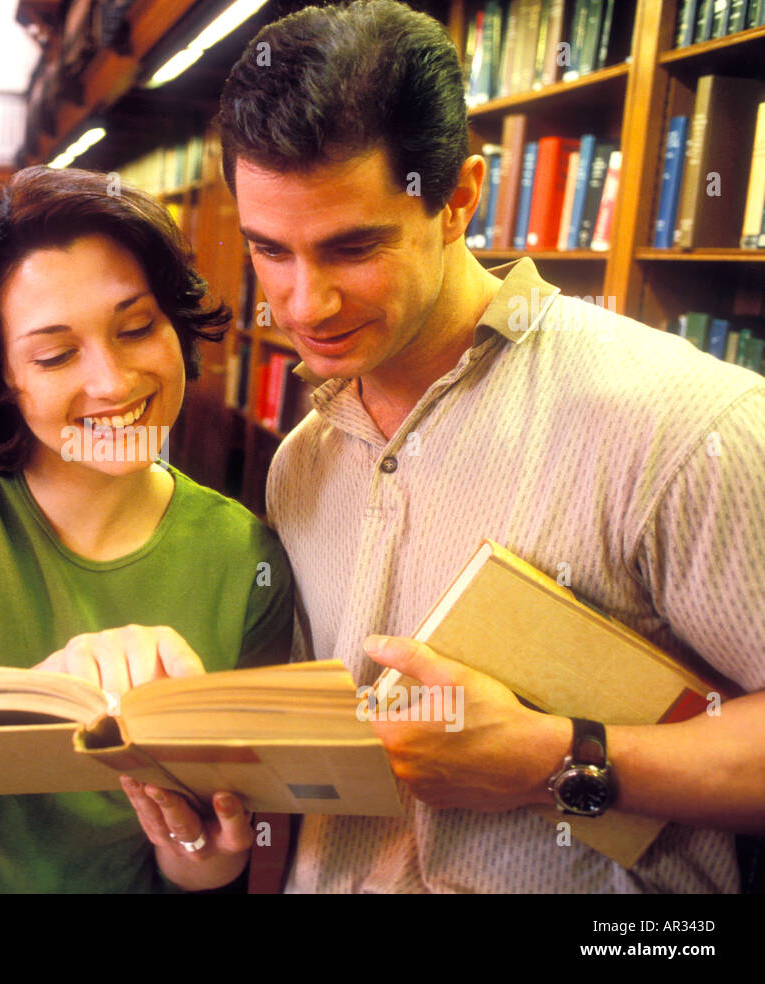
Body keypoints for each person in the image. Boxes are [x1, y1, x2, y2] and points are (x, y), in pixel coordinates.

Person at [200, 0, 764, 893]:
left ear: (460, 197)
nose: (305, 305)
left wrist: (553, 759)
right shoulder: (299, 463)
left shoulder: (682, 425)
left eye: (353, 248)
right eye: (271, 251)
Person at [0, 166, 294, 893]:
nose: (113, 382)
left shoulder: (244, 556)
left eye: (137, 328)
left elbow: (201, 861)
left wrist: (202, 846)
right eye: (55, 355)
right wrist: (60, 689)